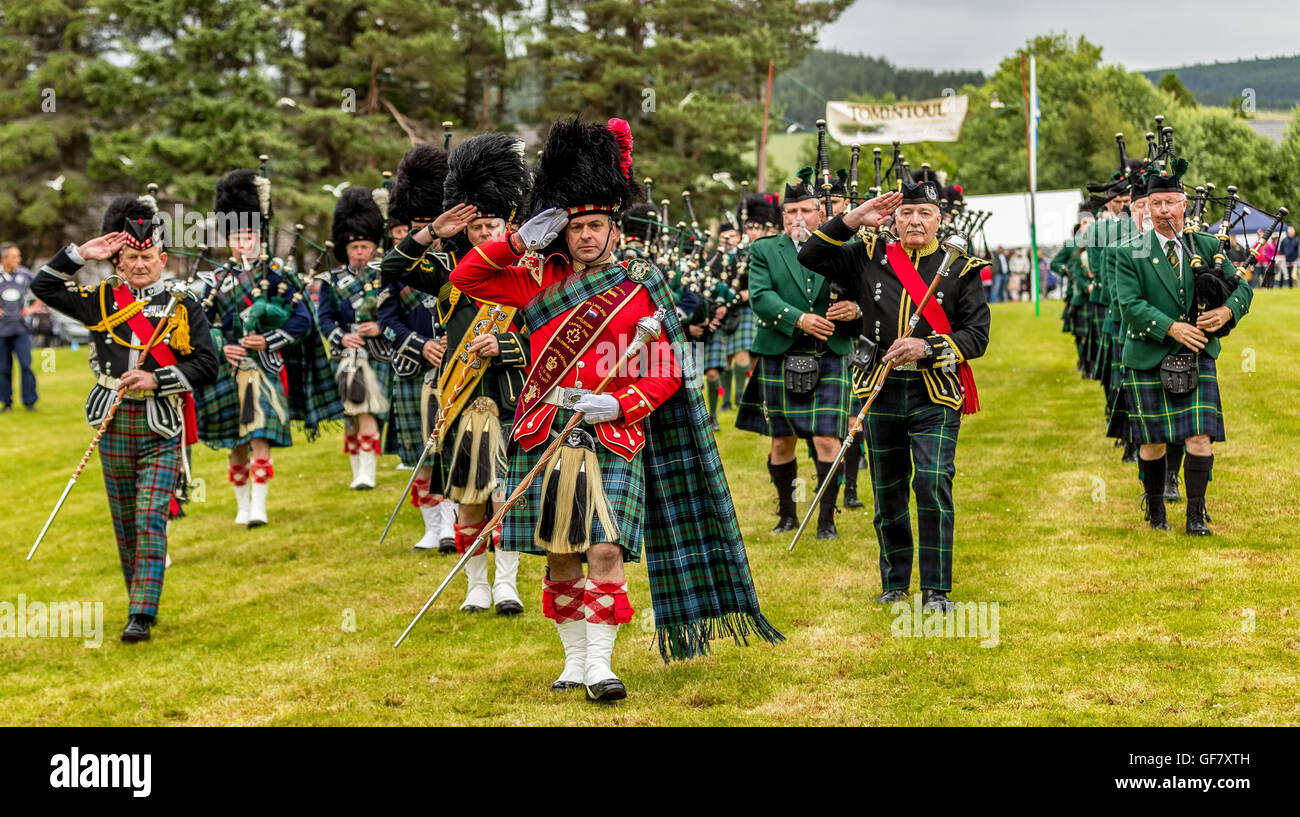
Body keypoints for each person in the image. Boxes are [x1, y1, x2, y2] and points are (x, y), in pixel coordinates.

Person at [450, 117, 780, 702]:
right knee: (561, 553)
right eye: (574, 227)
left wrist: (622, 402)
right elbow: (468, 275)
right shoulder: (536, 280)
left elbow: (669, 367)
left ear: (614, 226)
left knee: (605, 546)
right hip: (547, 431)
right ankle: (573, 662)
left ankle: (601, 666)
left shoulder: (643, 284)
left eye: (595, 225)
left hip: (615, 433)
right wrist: (521, 240)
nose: (584, 237)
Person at [30, 195, 218, 641]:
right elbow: (44, 287)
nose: (139, 265)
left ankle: (143, 613)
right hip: (112, 421)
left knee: (151, 513)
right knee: (125, 520)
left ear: (162, 257)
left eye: (147, 257)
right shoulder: (99, 299)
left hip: (159, 423)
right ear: (119, 257)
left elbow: (207, 365)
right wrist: (80, 254)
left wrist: (158, 380)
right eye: (130, 257)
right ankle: (137, 600)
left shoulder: (182, 303)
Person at [799, 178, 990, 612]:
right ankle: (895, 582)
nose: (915, 221)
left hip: (936, 393)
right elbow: (811, 254)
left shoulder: (960, 266)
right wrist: (853, 218)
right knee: (888, 490)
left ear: (940, 219)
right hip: (879, 389)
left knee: (933, 482)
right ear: (895, 219)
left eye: (925, 213)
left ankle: (937, 589)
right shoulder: (868, 255)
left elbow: (977, 337)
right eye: (907, 213)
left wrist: (927, 346)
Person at [383, 132, 531, 615]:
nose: (485, 236)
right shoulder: (449, 266)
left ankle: (507, 583)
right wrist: (432, 231)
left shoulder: (530, 269)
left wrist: (506, 344)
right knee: (469, 493)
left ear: (508, 224)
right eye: (477, 228)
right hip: (460, 393)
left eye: (492, 227)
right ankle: (476, 586)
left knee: (506, 494)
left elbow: (548, 335)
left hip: (511, 394)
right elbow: (393, 267)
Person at [195, 169, 341, 527]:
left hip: (266, 367)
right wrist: (221, 346)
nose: (243, 243)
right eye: (236, 237)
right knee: (236, 441)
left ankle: (259, 507)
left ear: (260, 237)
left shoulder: (279, 274)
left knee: (259, 431)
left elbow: (303, 321)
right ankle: (242, 506)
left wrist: (268, 340)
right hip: (230, 370)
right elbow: (202, 325)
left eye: (249, 236)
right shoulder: (216, 280)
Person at [1113, 163, 1252, 535]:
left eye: (1170, 203)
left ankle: (1195, 514)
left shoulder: (1208, 247)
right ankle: (1156, 511)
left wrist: (1226, 311)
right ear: (1147, 206)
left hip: (1198, 356)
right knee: (1153, 440)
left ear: (1184, 204)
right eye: (1155, 203)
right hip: (1148, 355)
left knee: (1199, 437)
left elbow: (1244, 289)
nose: (1163, 211)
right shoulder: (1130, 253)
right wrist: (1172, 328)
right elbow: (1130, 306)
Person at [735, 167, 860, 540]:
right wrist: (799, 318)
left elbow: (869, 292)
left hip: (831, 352)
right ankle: (787, 514)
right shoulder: (763, 250)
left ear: (821, 214)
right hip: (780, 351)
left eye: (806, 210)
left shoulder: (844, 248)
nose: (798, 218)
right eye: (791, 212)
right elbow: (760, 297)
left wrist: (855, 308)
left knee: (827, 438)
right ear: (783, 216)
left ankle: (826, 520)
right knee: (781, 439)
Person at [377, 144, 456, 553]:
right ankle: (432, 525)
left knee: (453, 446)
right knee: (422, 454)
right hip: (415, 368)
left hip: (459, 368)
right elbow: (385, 322)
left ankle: (452, 523)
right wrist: (421, 345)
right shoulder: (398, 265)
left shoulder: (462, 263)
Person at [318, 187, 392, 490]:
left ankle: (367, 473)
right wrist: (341, 337)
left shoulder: (386, 274)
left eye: (364, 246)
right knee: (352, 415)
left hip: (376, 353)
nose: (359, 252)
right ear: (344, 249)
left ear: (374, 246)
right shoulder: (332, 281)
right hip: (345, 355)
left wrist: (378, 329)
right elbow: (324, 318)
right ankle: (356, 471)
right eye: (354, 247)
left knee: (367, 412)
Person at [0, 242, 39, 411]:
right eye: (15, 256)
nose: (19, 259)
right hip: (1, 331)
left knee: (25, 365)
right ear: (4, 259)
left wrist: (33, 308)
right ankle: (6, 402)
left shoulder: (24, 274)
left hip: (21, 328)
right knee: (3, 368)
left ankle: (29, 401)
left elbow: (43, 288)